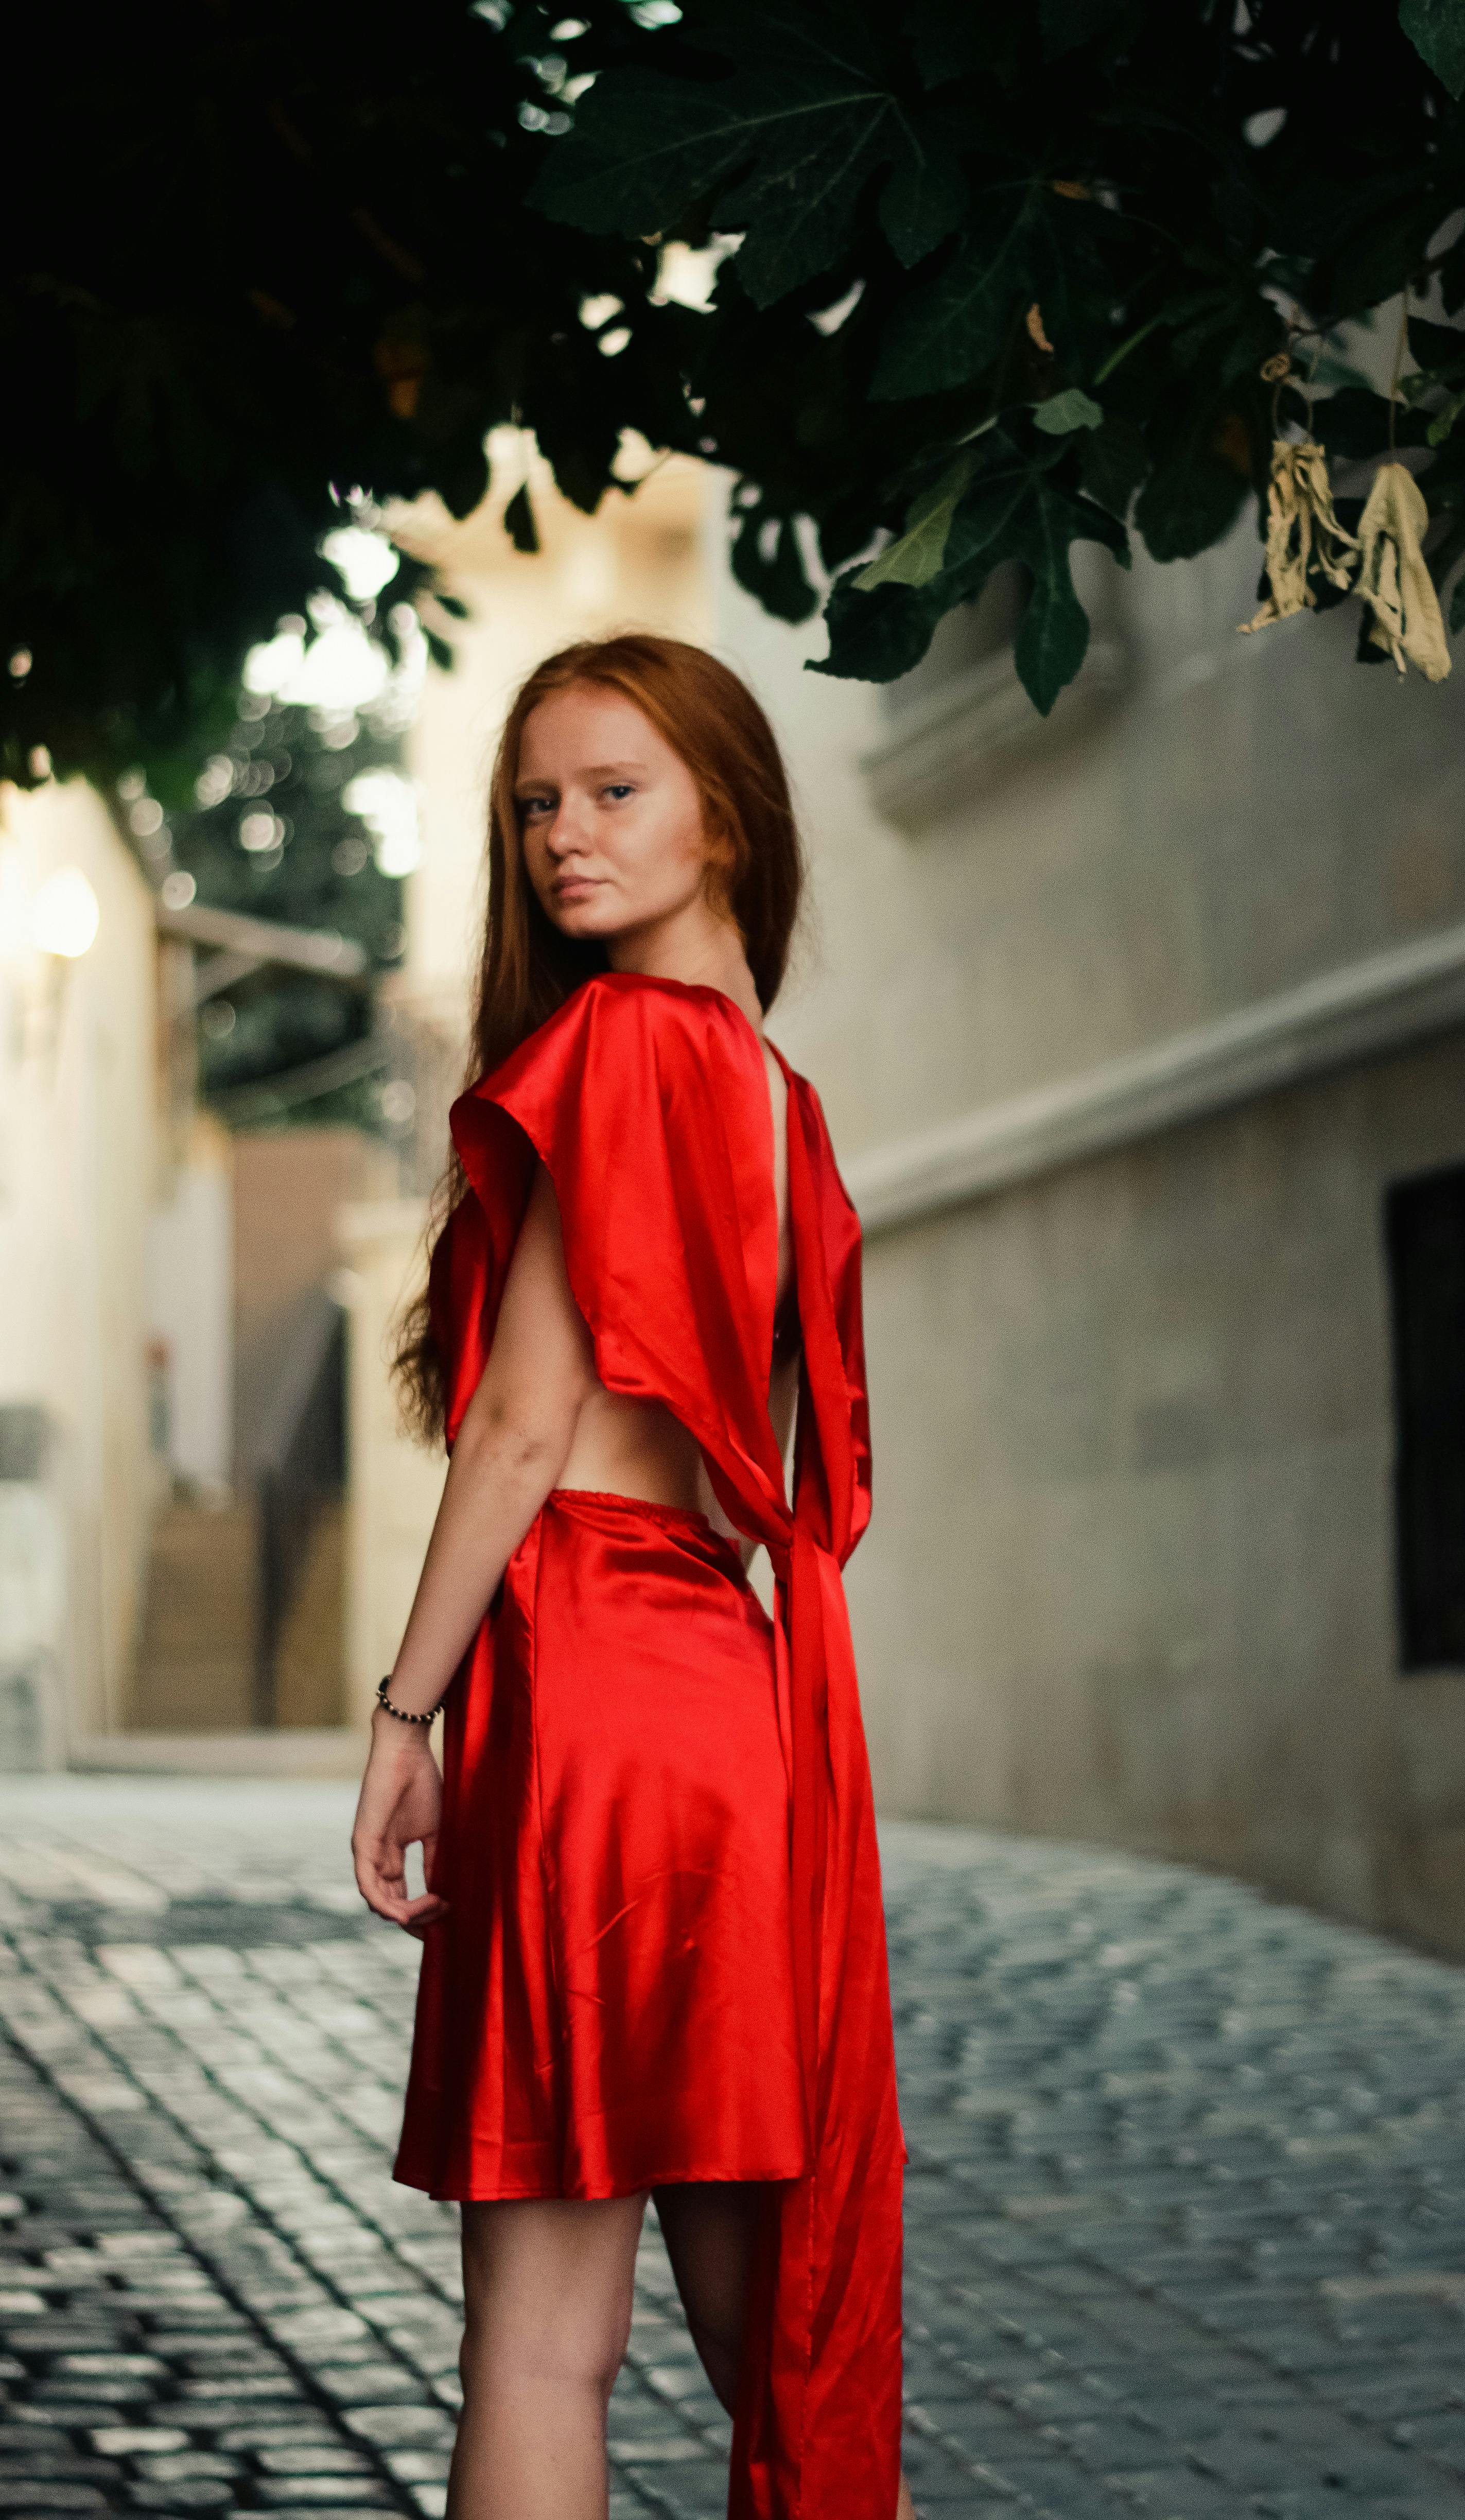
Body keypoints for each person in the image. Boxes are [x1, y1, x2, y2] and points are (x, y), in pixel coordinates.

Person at [347, 635, 911, 2520]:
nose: (560, 839)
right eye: (532, 805)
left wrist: (405, 1711)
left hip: (581, 1687)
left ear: (728, 821)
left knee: (535, 2343)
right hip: (732, 1711)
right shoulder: (782, 1105)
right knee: (779, 2342)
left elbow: (521, 1427)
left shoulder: (603, 1052)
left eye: (612, 793)